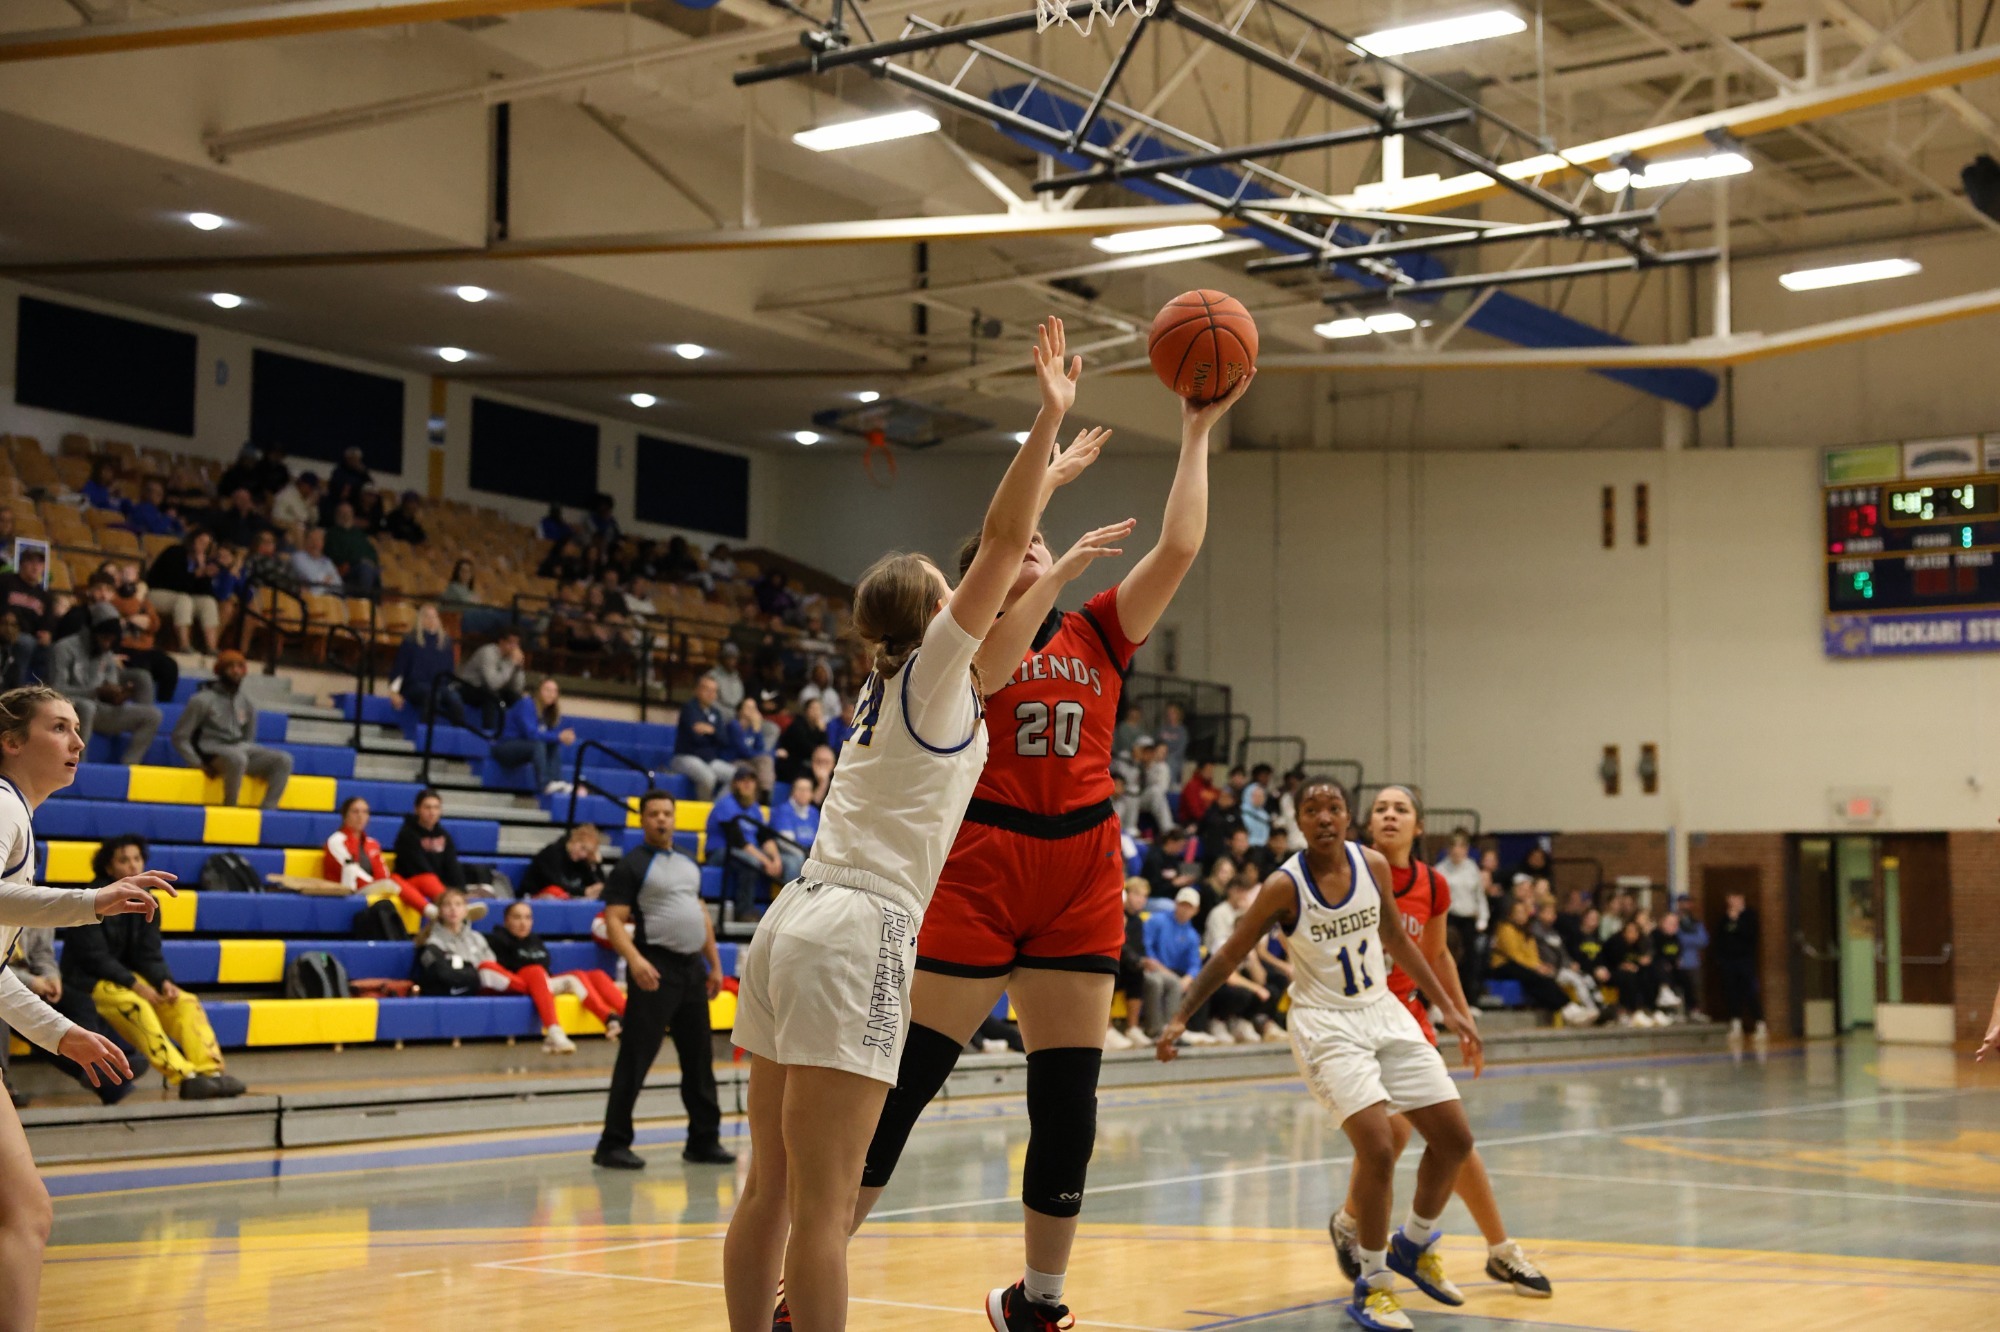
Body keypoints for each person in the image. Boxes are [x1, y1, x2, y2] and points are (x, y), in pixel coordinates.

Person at [726, 318, 1119, 1332]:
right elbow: (996, 550)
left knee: (766, 1193)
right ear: (938, 610)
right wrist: (1042, 420)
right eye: (960, 596)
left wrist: (1060, 548)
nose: (977, 598)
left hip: (788, 924)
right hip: (860, 931)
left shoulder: (903, 684)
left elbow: (1013, 605)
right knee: (822, 1203)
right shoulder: (944, 666)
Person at [849, 360, 1252, 1332]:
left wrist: (1195, 432)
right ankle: (812, 1265)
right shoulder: (958, 655)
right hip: (981, 873)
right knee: (904, 1091)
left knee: (1067, 1103)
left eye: (1040, 541)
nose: (1032, 546)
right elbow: (1006, 541)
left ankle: (1036, 1303)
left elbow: (1180, 545)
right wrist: (1042, 526)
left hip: (1078, 871)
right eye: (1017, 541)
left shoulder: (1097, 633)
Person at [1155, 778, 1483, 1332]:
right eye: (1313, 810)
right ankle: (1374, 1284)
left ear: (1347, 817)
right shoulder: (1285, 886)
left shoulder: (1372, 864)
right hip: (1326, 1028)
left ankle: (1415, 1244)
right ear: (1300, 822)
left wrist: (1449, 1008)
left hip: (1383, 1011)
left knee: (1455, 1140)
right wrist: (1181, 1015)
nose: (1325, 818)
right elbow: (1232, 951)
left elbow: (1399, 941)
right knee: (1379, 1149)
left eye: (1334, 808)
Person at [0, 686, 184, 1327]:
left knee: (25, 1215)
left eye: (79, 730)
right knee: (25, 1216)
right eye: (59, 728)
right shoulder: (2, 810)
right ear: (13, 741)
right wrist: (92, 902)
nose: (78, 743)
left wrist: (59, 1034)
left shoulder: (17, 816)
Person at [1327, 787, 1552, 1303]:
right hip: (1354, 1019)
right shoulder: (1346, 873)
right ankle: (1352, 1224)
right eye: (1380, 809)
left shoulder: (1431, 883)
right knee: (1393, 1136)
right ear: (1367, 823)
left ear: (1419, 826)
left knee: (1454, 1138)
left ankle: (1500, 1248)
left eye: (1400, 809)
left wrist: (1462, 1017)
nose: (1389, 815)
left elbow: (1438, 955)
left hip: (1407, 1015)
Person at [593, 789, 730, 1169]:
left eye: (667, 813)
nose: (661, 820)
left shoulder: (688, 861)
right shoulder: (632, 865)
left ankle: (704, 1140)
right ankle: (612, 1143)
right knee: (636, 1056)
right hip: (654, 968)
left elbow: (699, 913)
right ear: (642, 820)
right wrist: (635, 961)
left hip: (691, 969)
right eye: (653, 814)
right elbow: (613, 920)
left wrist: (714, 965)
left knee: (699, 1056)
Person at [62, 836, 245, 1100]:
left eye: (137, 859)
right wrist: (137, 986)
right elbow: (94, 958)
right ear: (108, 868)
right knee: (136, 1004)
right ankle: (184, 1076)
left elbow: (149, 954)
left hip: (129, 980)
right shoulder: (92, 898)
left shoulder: (148, 900)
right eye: (123, 860)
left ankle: (212, 1073)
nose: (132, 866)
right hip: (86, 981)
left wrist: (163, 982)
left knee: (184, 1001)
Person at [4, 925, 148, 1106]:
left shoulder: (40, 906)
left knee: (79, 1001)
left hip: (32, 981)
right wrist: (32, 982)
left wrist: (51, 976)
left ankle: (97, 1060)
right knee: (22, 1016)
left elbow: (43, 954)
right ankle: (101, 1075)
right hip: (8, 985)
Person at [490, 899, 625, 1041]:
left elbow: (545, 965)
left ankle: (631, 1015)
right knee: (569, 975)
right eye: (517, 917)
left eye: (528, 917)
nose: (523, 923)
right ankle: (608, 1018)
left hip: (545, 981)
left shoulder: (534, 940)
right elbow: (513, 968)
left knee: (597, 975)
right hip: (524, 984)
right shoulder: (498, 940)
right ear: (506, 921)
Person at [170, 651, 293, 808]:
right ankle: (230, 808)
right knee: (238, 758)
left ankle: (268, 810)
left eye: (240, 667)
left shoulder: (246, 702)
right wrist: (196, 763)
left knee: (284, 760)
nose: (236, 671)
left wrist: (247, 752)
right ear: (219, 671)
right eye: (230, 667)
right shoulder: (201, 700)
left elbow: (249, 739)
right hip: (212, 751)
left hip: (239, 751)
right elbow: (180, 737)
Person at [48, 604, 162, 765]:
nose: (107, 644)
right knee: (87, 707)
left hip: (101, 710)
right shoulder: (64, 648)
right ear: (92, 632)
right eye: (104, 638)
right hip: (71, 710)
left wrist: (118, 695)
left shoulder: (106, 653)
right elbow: (56, 690)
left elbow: (111, 684)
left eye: (111, 640)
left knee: (153, 715)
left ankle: (129, 766)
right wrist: (95, 692)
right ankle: (78, 765)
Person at [707, 766, 782, 920]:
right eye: (743, 780)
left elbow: (764, 837)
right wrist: (766, 861)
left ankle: (782, 913)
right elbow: (738, 841)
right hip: (720, 852)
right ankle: (744, 912)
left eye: (751, 780)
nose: (747, 784)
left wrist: (776, 859)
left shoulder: (754, 808)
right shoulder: (726, 804)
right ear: (735, 784)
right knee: (751, 862)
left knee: (790, 862)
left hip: (745, 853)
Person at [493, 677, 576, 796]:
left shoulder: (548, 713)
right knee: (538, 743)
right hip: (505, 747)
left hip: (524, 749)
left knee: (553, 744)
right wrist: (559, 736)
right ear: (539, 691)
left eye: (554, 691)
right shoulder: (526, 704)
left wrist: (562, 738)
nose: (551, 694)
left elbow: (549, 736)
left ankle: (556, 781)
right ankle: (545, 784)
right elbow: (531, 734)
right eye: (547, 690)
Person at [392, 788, 469, 911]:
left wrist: (460, 890)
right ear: (417, 809)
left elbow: (452, 864)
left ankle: (458, 904)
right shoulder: (407, 834)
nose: (432, 812)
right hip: (410, 883)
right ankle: (452, 907)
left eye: (436, 808)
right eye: (427, 807)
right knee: (428, 879)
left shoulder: (444, 835)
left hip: (436, 885)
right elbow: (419, 868)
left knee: (456, 886)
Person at [1487, 899, 1570, 1013]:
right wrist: (1535, 967)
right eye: (1518, 912)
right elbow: (1514, 955)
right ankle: (1563, 1007)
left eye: (1524, 912)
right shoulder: (1505, 929)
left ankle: (1567, 1006)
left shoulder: (1527, 932)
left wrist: (1539, 966)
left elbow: (1532, 953)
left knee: (1546, 976)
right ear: (1511, 914)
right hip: (1503, 965)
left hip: (1523, 965)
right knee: (1533, 977)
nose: (1521, 916)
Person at [388, 605, 464, 728]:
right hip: (415, 685)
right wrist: (394, 692)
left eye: (434, 617)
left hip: (440, 686)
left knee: (456, 700)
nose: (431, 620)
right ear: (420, 619)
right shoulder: (410, 640)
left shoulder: (445, 642)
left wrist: (450, 686)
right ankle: (426, 734)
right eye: (427, 617)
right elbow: (399, 668)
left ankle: (458, 736)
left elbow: (450, 671)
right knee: (433, 696)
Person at [146, 531, 223, 652]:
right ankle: (184, 645)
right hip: (158, 593)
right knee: (183, 600)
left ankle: (212, 647)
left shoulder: (204, 561)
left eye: (207, 544)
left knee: (208, 602)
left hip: (183, 597)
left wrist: (203, 571)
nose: (203, 546)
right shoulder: (175, 552)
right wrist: (195, 575)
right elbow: (173, 582)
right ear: (192, 540)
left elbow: (206, 592)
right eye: (201, 542)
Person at [671, 674, 736, 800]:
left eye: (714, 691)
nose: (711, 694)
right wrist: (714, 734)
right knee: (708, 777)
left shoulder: (716, 713)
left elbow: (724, 740)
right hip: (685, 757)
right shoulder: (689, 709)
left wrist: (711, 731)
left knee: (736, 776)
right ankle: (704, 811)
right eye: (707, 689)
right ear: (697, 690)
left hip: (709, 760)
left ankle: (716, 808)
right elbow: (696, 738)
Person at [1105, 878, 1153, 1047]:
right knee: (1108, 972)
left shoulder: (1137, 921)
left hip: (1124, 963)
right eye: (1137, 894)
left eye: (1144, 896)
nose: (1141, 899)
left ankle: (1133, 1027)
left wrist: (1139, 962)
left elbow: (1137, 949)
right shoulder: (1113, 914)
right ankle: (1106, 1029)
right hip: (1107, 963)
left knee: (1136, 973)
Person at [461, 629, 528, 730]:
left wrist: (518, 668)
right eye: (511, 643)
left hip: (493, 690)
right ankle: (489, 734)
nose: (514, 647)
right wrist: (511, 664)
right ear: (501, 642)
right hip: (469, 687)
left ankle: (515, 733)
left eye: (516, 644)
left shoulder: (511, 658)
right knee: (491, 696)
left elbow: (517, 688)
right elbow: (493, 683)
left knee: (518, 699)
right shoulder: (488, 652)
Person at [522, 823, 605, 899]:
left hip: (569, 901)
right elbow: (554, 883)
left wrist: (597, 865)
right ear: (574, 840)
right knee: (556, 891)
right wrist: (583, 892)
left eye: (588, 852)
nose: (583, 854)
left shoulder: (583, 861)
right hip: (537, 897)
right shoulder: (552, 853)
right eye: (582, 848)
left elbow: (599, 886)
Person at [767, 775, 820, 884]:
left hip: (808, 853)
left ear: (811, 793)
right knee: (795, 860)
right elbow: (786, 842)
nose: (803, 793)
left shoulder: (814, 813)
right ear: (793, 792)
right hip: (785, 853)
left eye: (807, 790)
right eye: (800, 789)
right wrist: (808, 854)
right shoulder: (783, 810)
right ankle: (791, 898)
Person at [723, 697, 777, 796]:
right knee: (752, 772)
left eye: (754, 708)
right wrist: (771, 753)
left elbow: (759, 748)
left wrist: (757, 730)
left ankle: (766, 794)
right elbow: (743, 751)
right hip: (734, 760)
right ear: (740, 711)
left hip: (748, 759)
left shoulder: (753, 727)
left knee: (766, 760)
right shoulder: (734, 725)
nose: (752, 711)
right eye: (748, 708)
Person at [774, 696, 828, 789]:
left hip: (808, 761)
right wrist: (821, 732)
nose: (816, 712)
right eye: (813, 708)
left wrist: (822, 731)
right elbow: (807, 749)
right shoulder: (797, 725)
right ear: (806, 710)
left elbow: (824, 749)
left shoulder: (818, 727)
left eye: (819, 709)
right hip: (791, 761)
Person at [288, 527, 344, 594]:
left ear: (323, 543)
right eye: (311, 540)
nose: (315, 544)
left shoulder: (327, 562)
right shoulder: (298, 557)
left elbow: (339, 585)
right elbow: (312, 578)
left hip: (327, 599)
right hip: (307, 599)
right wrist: (326, 579)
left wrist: (322, 582)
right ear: (306, 541)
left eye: (318, 540)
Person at [1155, 701, 1189, 783]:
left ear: (1178, 714)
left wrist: (1167, 756)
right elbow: (1156, 743)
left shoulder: (1182, 731)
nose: (1170, 715)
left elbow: (1181, 749)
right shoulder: (1161, 729)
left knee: (1170, 762)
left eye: (1173, 713)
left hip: (1176, 758)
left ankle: (1170, 787)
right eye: (1169, 713)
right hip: (1160, 756)